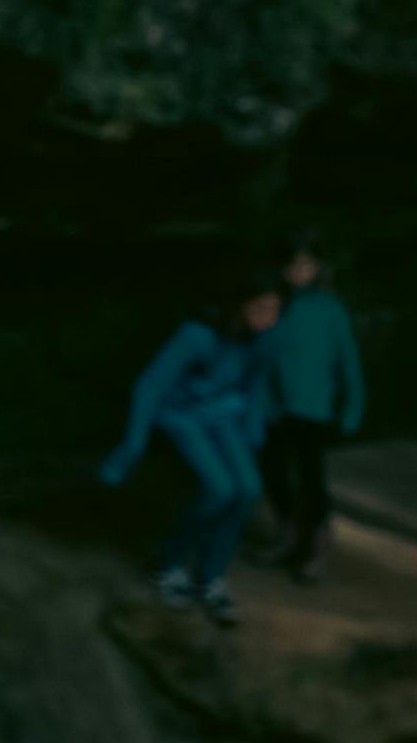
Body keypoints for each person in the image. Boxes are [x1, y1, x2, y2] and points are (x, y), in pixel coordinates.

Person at [101, 275, 280, 618]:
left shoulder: (261, 339)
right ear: (238, 307)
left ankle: (211, 577)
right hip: (184, 416)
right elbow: (149, 386)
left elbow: (257, 383)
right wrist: (132, 444)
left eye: (275, 310)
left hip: (224, 416)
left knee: (248, 490)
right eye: (261, 308)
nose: (269, 318)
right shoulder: (197, 336)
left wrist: (253, 433)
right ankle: (168, 563)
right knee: (219, 489)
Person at [258, 239, 366, 583]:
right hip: (275, 407)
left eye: (305, 265)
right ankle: (286, 532)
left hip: (313, 409)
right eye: (292, 265)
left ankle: (314, 545)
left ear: (317, 267)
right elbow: (263, 355)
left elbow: (348, 361)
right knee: (274, 471)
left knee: (310, 478)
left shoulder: (330, 308)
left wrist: (352, 408)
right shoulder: (277, 305)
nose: (298, 272)